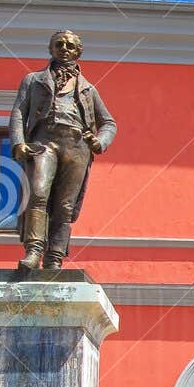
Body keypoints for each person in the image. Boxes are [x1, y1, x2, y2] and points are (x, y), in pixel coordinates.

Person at [8, 29, 117, 269]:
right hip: (44, 142)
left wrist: (100, 142)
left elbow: (109, 122)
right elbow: (18, 112)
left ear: (78, 52)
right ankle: (34, 250)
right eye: (59, 44)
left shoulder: (89, 89)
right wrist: (18, 142)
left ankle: (54, 257)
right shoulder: (33, 80)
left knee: (65, 205)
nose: (64, 49)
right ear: (51, 49)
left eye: (69, 45)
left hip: (77, 146)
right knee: (38, 193)